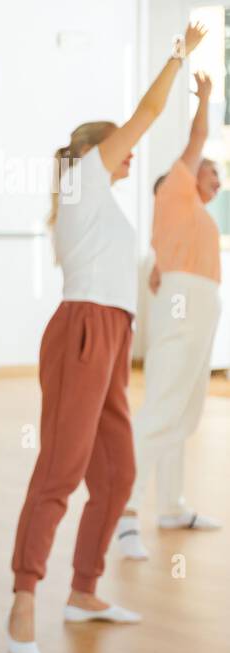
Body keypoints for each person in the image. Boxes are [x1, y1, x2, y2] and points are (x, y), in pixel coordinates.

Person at [7, 23, 207, 653]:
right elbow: (147, 112)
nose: (131, 157)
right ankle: (23, 602)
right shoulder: (83, 179)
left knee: (117, 472)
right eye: (121, 149)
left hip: (113, 335)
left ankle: (84, 590)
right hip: (84, 332)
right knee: (61, 471)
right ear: (97, 149)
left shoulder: (98, 202)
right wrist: (179, 55)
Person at [116, 71, 225, 560]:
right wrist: (205, 97)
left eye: (218, 174)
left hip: (199, 305)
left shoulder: (190, 215)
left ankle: (172, 505)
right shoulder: (172, 193)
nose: (215, 177)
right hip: (184, 304)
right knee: (162, 407)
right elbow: (198, 137)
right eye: (209, 170)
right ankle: (124, 513)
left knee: (184, 410)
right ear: (180, 178)